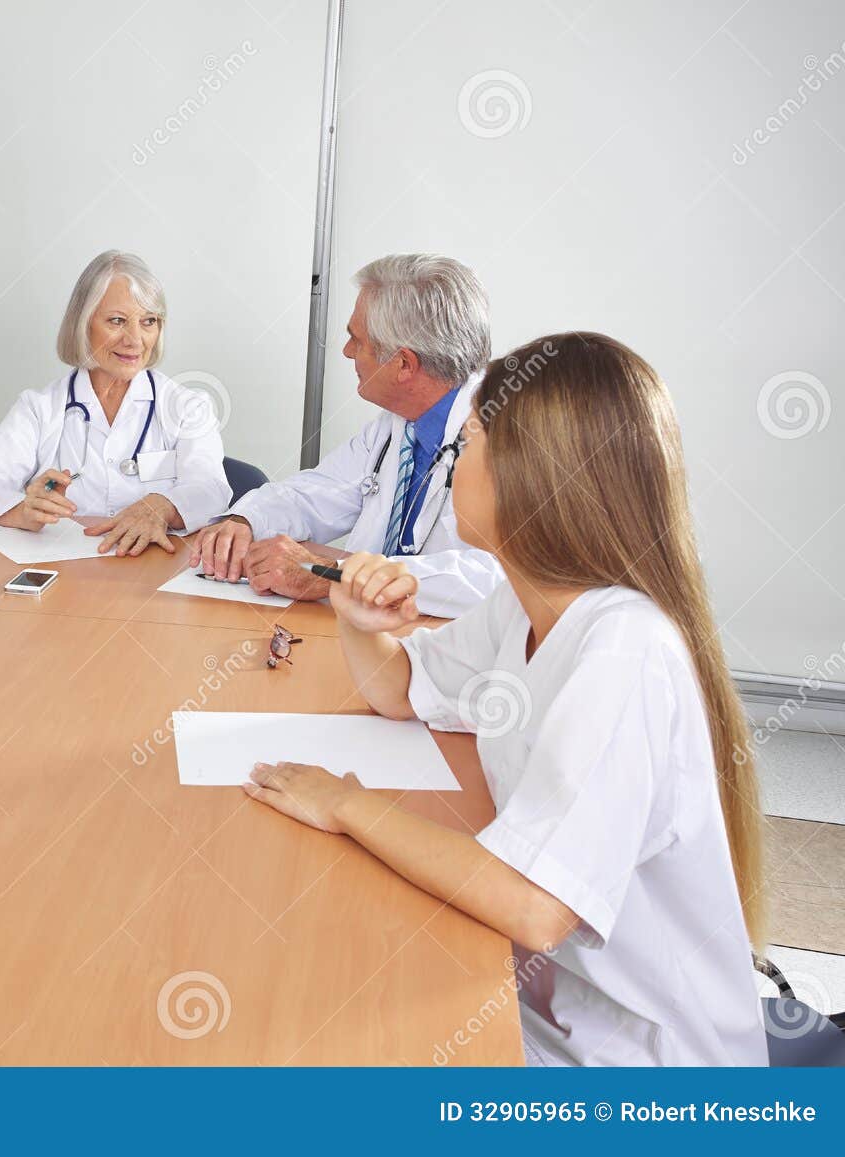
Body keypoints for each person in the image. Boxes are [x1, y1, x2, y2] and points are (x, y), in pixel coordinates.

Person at [242, 332, 767, 1066]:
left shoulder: (624, 650)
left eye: (469, 442)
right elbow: (401, 690)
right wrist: (357, 621)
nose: (454, 460)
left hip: (637, 1066)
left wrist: (347, 805)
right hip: (546, 1003)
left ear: (531, 473)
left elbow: (533, 904)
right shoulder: (526, 603)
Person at [189, 254, 501, 617]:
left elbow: (505, 578)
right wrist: (245, 521)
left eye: (357, 340)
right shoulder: (397, 426)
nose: (346, 351)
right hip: (373, 633)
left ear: (403, 364)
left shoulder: (511, 437)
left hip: (449, 641)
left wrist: (335, 575)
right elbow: (315, 494)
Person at [0, 251, 231, 556]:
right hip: (66, 572)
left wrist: (163, 506)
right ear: (82, 324)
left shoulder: (187, 407)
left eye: (148, 321)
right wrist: (23, 510)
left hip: (155, 570)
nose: (135, 340)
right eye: (117, 321)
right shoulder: (39, 409)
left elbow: (211, 490)